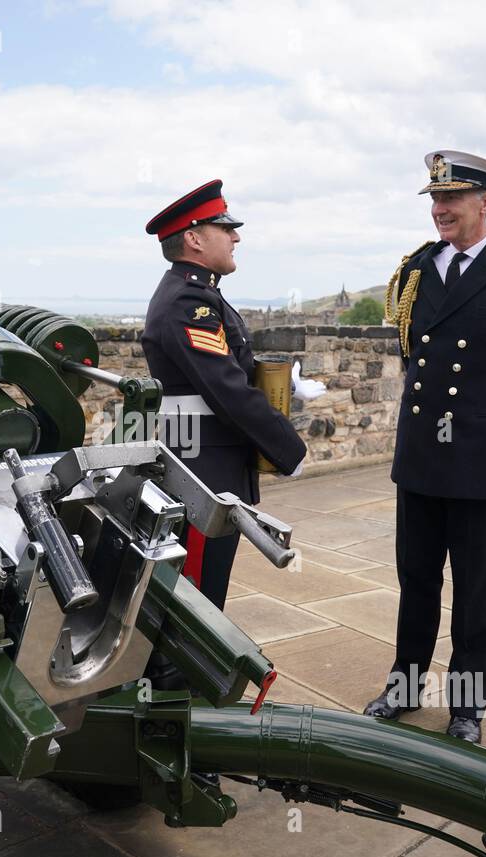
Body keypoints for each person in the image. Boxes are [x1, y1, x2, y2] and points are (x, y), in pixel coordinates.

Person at [362, 151, 486, 743]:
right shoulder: (416, 270)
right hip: (423, 454)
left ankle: (467, 707)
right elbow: (411, 355)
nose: (439, 209)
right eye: (434, 199)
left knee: (476, 592)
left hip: (481, 457)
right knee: (416, 582)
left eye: (451, 199)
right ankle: (404, 688)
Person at [140, 179, 306, 612]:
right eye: (224, 228)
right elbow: (225, 388)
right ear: (194, 238)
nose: (236, 237)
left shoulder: (199, 292)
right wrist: (287, 446)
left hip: (209, 464)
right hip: (203, 473)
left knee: (207, 591)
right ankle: (185, 682)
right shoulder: (188, 301)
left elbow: (228, 371)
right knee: (195, 602)